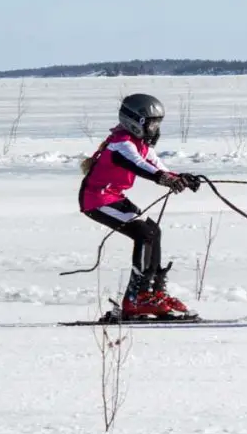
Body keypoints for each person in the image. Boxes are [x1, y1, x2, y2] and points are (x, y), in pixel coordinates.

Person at [78, 92, 202, 318]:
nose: (155, 129)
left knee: (153, 231)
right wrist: (165, 180)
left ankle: (152, 293)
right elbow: (140, 166)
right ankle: (137, 299)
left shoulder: (140, 144)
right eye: (152, 124)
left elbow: (157, 166)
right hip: (96, 199)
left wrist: (182, 177)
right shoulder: (121, 144)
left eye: (158, 124)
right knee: (144, 234)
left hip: (115, 197)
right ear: (135, 122)